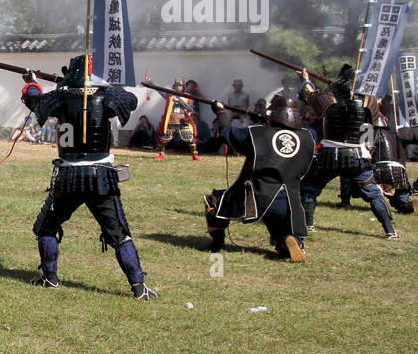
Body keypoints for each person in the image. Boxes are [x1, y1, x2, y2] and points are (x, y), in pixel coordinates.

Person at [21, 54, 157, 299]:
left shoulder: (60, 96)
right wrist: (103, 86)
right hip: (100, 178)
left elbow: (33, 100)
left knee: (47, 227)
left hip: (69, 177)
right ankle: (138, 288)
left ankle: (50, 278)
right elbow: (131, 100)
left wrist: (31, 82)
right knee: (119, 235)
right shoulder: (107, 95)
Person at [204, 94, 316, 261]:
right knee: (285, 230)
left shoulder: (257, 134)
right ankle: (293, 241)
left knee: (214, 200)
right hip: (291, 201)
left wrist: (220, 111)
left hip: (256, 198)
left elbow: (226, 131)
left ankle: (217, 243)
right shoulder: (308, 136)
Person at [297, 65, 397, 238]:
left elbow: (308, 93)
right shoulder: (369, 101)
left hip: (329, 155)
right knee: (373, 193)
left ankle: (308, 225)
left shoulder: (326, 98)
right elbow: (369, 134)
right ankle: (390, 230)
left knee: (309, 189)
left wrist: (305, 79)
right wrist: (368, 153)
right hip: (357, 156)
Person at [155, 78, 200, 160]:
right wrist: (151, 83)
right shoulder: (170, 95)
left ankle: (194, 155)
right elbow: (160, 91)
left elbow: (190, 108)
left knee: (190, 138)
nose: (178, 87)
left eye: (180, 86)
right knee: (163, 138)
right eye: (177, 85)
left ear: (183, 87)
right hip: (171, 119)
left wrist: (180, 101)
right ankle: (161, 154)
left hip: (183, 119)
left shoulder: (187, 97)